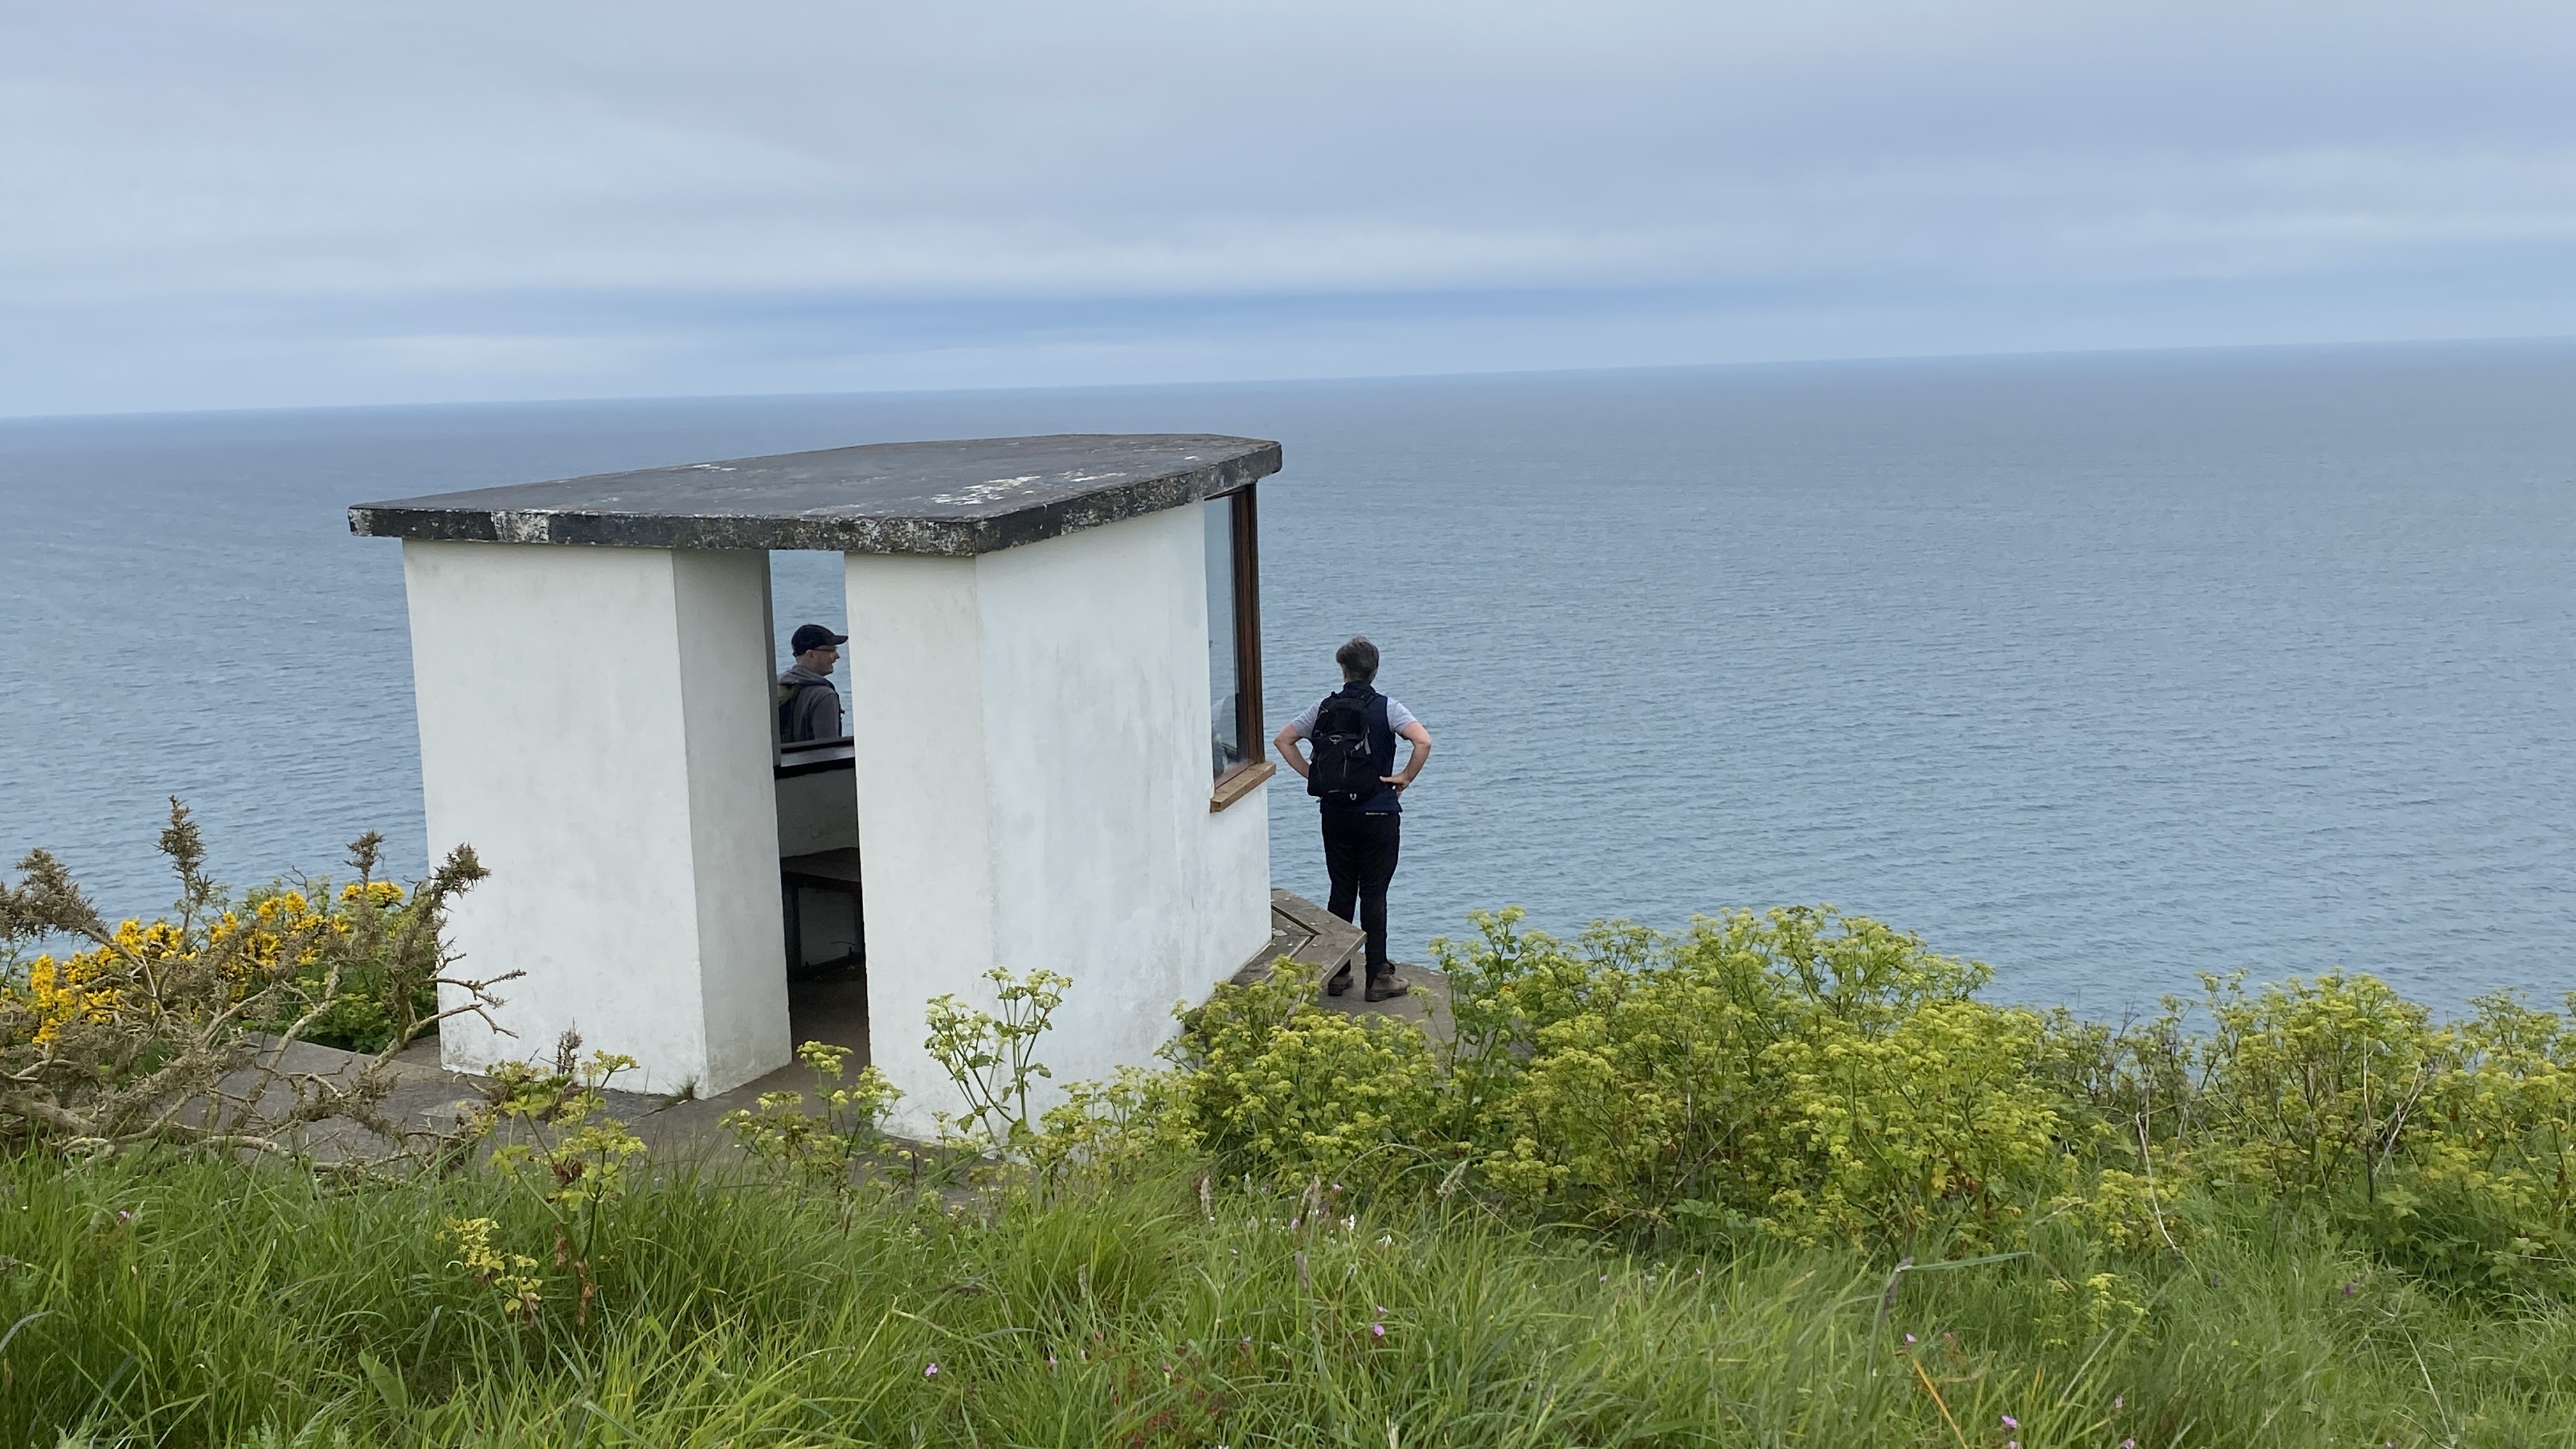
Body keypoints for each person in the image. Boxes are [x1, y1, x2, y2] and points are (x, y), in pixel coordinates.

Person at [1272, 636, 1432, 1002]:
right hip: (1378, 811)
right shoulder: (1389, 708)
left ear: (1342, 669)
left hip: (1336, 813)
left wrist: (1315, 775)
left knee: (1342, 889)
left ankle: (1338, 973)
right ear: (1374, 671)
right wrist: (1405, 777)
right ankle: (1378, 976)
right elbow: (1422, 742)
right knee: (1374, 892)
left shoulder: (1323, 708)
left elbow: (1284, 741)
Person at [777, 623, 848, 743]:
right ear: (811, 654)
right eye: (832, 650)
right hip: (810, 761)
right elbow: (828, 750)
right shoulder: (824, 696)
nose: (837, 656)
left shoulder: (777, 685)